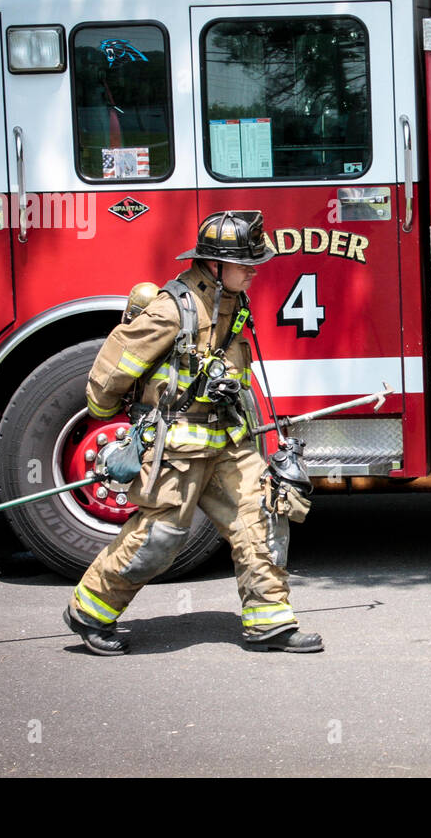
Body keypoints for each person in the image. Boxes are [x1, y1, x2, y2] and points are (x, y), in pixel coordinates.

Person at [62, 210, 323, 656]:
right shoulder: (171, 308)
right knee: (159, 539)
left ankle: (270, 623)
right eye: (246, 264)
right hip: (177, 446)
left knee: (263, 516)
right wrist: (107, 412)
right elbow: (115, 367)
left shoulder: (232, 305)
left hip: (227, 442)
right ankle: (91, 610)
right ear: (215, 265)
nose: (254, 271)